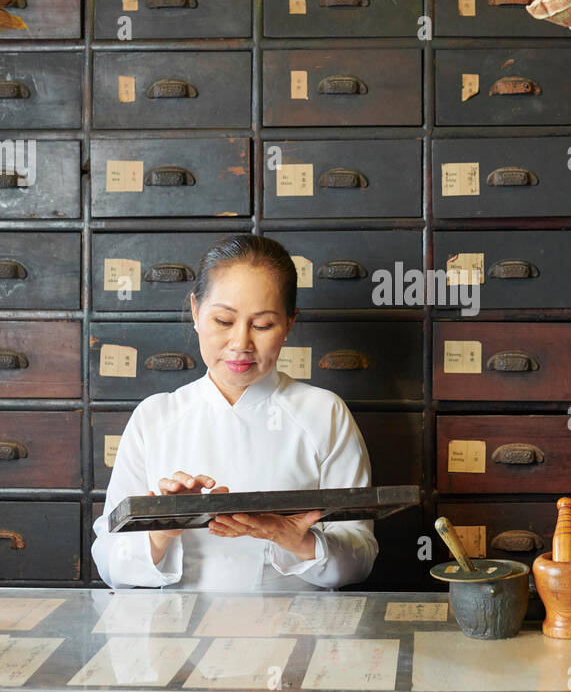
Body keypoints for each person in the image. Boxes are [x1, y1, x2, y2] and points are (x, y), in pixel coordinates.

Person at [91, 234, 378, 591]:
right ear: (196, 311)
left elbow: (361, 557)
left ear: (289, 324)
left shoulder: (324, 413)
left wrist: (293, 539)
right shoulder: (155, 417)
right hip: (175, 636)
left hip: (295, 634)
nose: (240, 343)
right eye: (224, 321)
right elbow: (106, 559)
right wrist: (160, 533)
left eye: (262, 325)